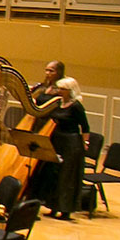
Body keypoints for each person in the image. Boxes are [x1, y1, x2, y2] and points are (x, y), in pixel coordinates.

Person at [36, 74, 90, 219]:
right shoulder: (58, 103)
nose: (58, 91)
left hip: (70, 143)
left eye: (62, 89)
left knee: (66, 177)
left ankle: (65, 210)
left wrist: (85, 143)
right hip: (57, 140)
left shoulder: (76, 106)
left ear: (70, 90)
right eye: (58, 88)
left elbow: (85, 127)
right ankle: (52, 206)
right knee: (53, 174)